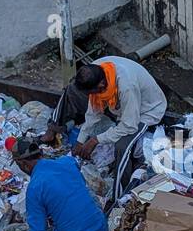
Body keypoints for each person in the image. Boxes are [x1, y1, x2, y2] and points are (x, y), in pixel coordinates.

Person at [0, 137, 111, 231]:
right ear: (41, 154)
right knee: (89, 195)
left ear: (23, 164)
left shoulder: (35, 187)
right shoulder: (67, 162)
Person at [56, 58, 167, 198]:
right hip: (122, 109)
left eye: (93, 92)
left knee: (122, 147)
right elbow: (93, 111)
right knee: (71, 90)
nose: (92, 96)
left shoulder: (126, 87)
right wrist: (80, 140)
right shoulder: (96, 71)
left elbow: (129, 126)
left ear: (101, 84)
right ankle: (54, 126)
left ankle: (120, 195)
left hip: (146, 111)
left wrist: (95, 140)